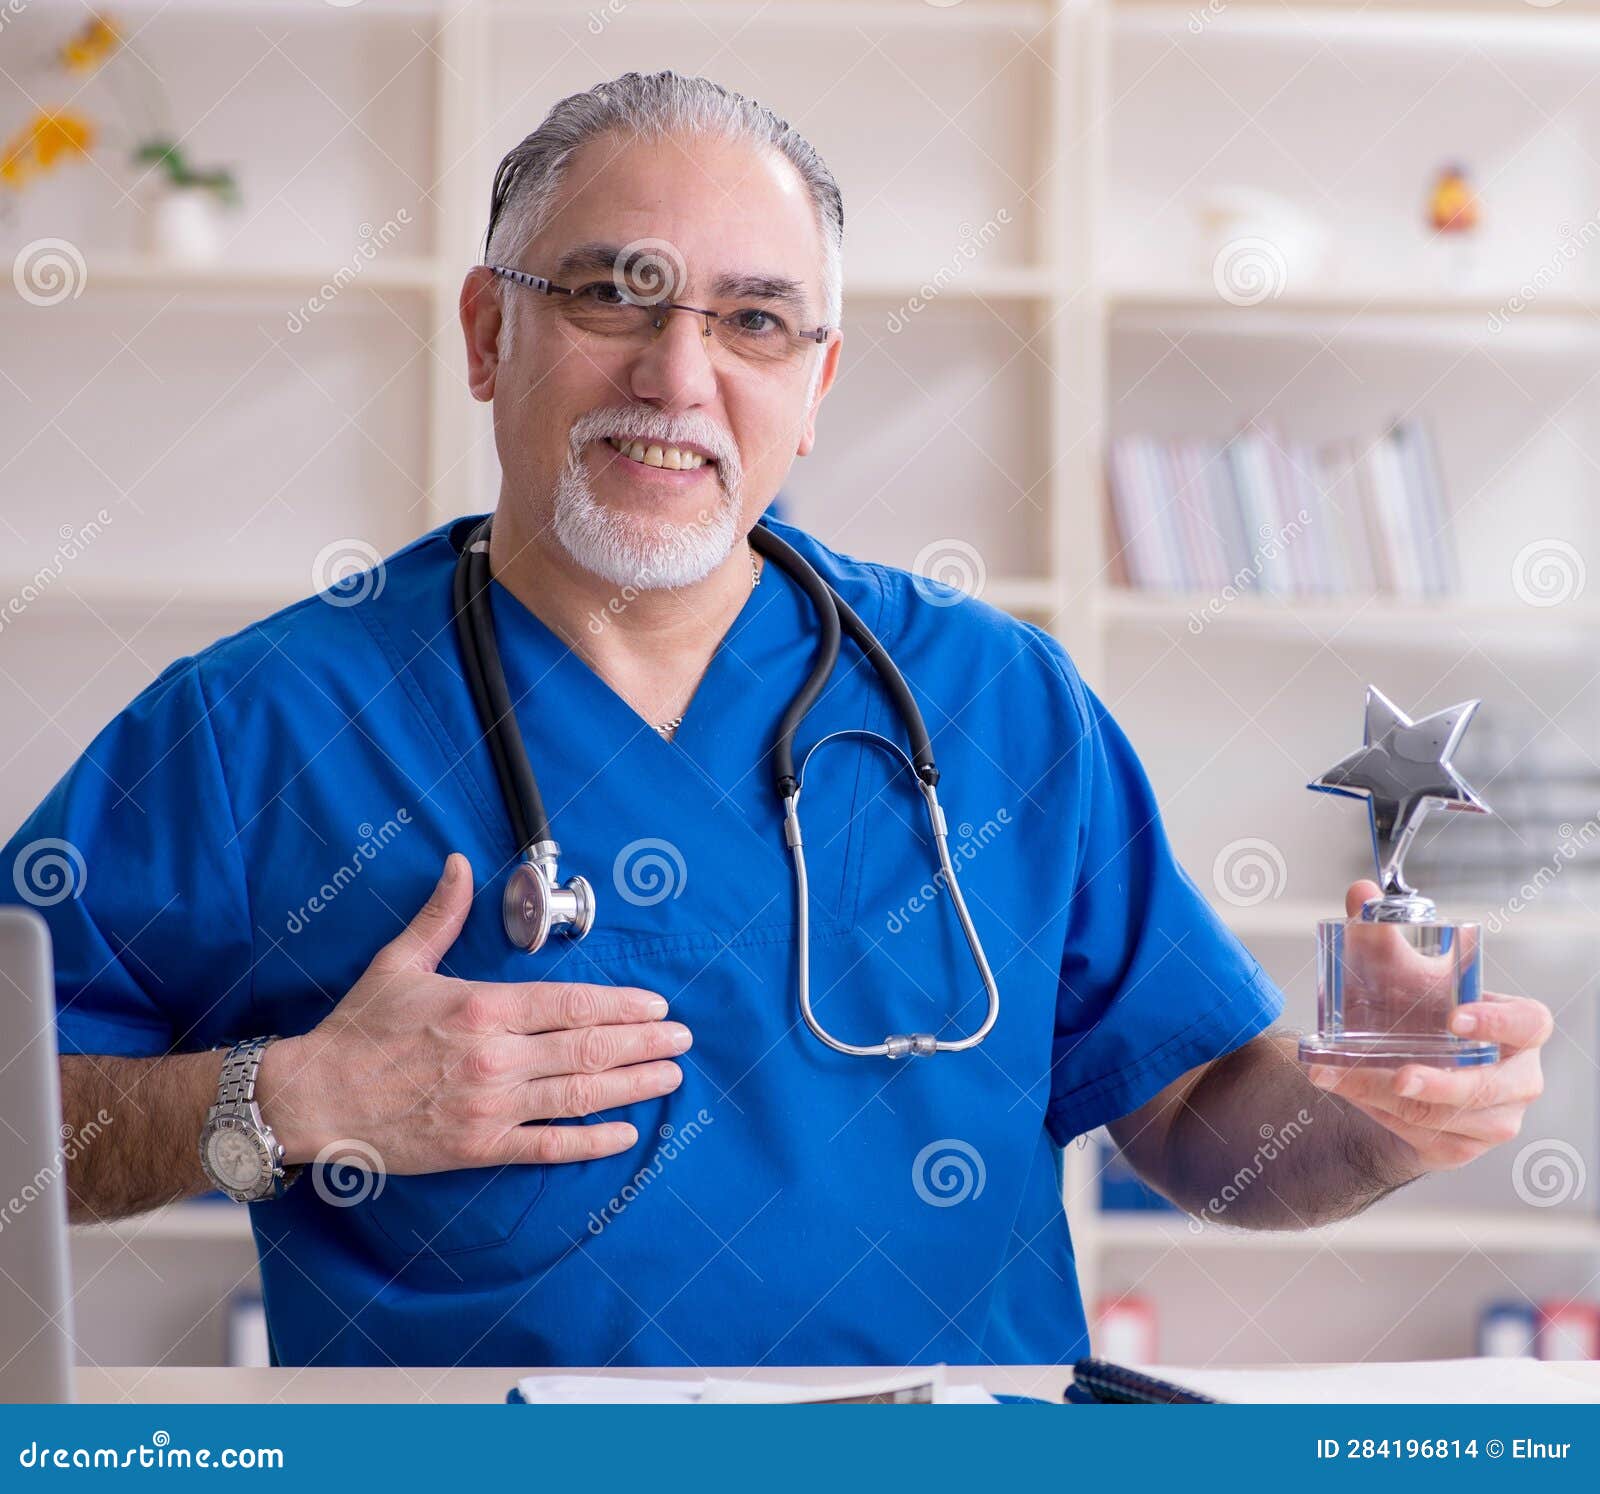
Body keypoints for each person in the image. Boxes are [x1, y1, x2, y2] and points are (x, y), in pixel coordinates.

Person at [2, 72, 1550, 1368]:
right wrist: (282, 1102)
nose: (678, 374)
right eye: (616, 292)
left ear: (813, 385)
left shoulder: (996, 703)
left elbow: (1205, 1118)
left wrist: (1379, 1117)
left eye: (754, 322)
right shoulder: (259, 728)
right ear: (488, 334)